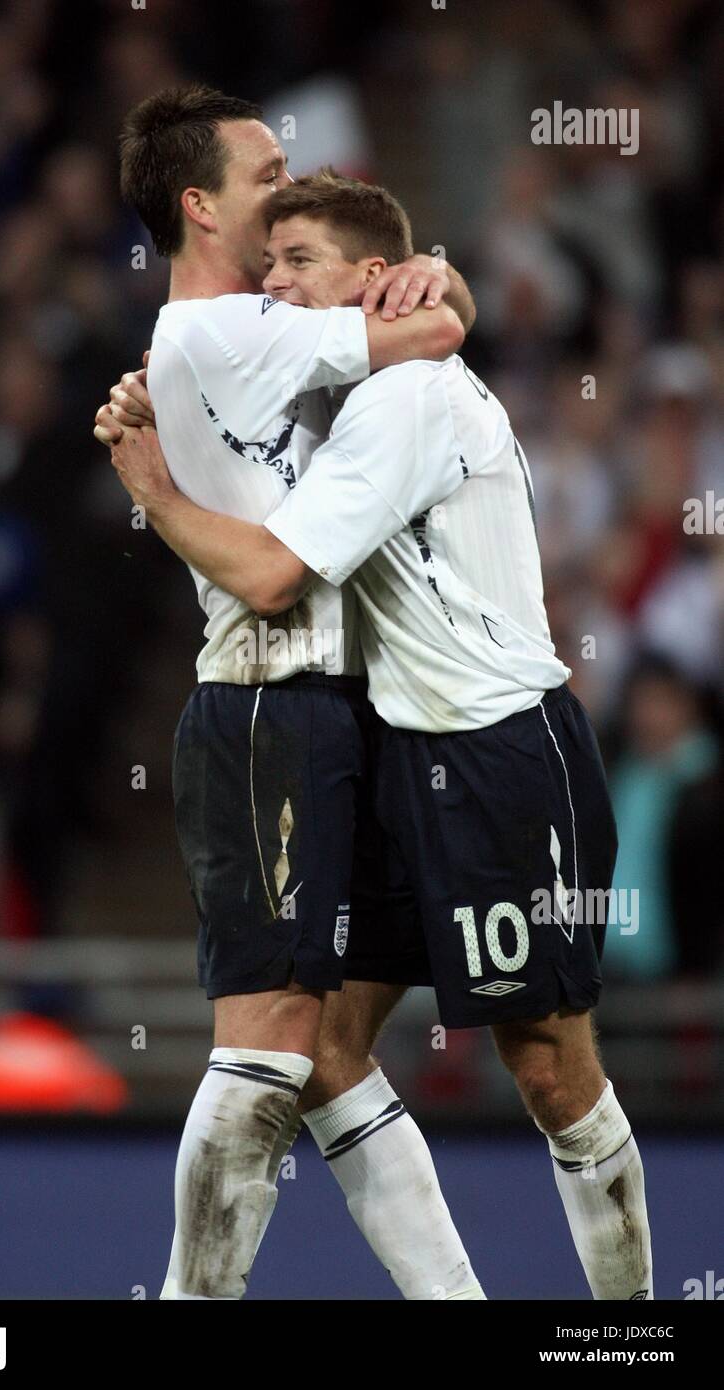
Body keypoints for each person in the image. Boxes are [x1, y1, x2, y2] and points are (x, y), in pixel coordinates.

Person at [109, 171, 654, 1301]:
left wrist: (155, 492)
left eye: (297, 260)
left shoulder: (407, 404)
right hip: (406, 754)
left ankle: (631, 1326)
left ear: (370, 282)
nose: (271, 282)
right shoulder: (345, 387)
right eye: (265, 263)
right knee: (322, 1047)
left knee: (547, 1067)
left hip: (504, 749)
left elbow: (267, 575)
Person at [95, 87, 483, 1301]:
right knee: (266, 1043)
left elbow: (443, 311)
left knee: (325, 1054)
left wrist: (434, 278)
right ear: (198, 202)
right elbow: (435, 334)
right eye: (264, 169)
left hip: (331, 703)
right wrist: (426, 291)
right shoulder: (216, 336)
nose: (287, 179)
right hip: (266, 704)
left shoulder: (251, 325)